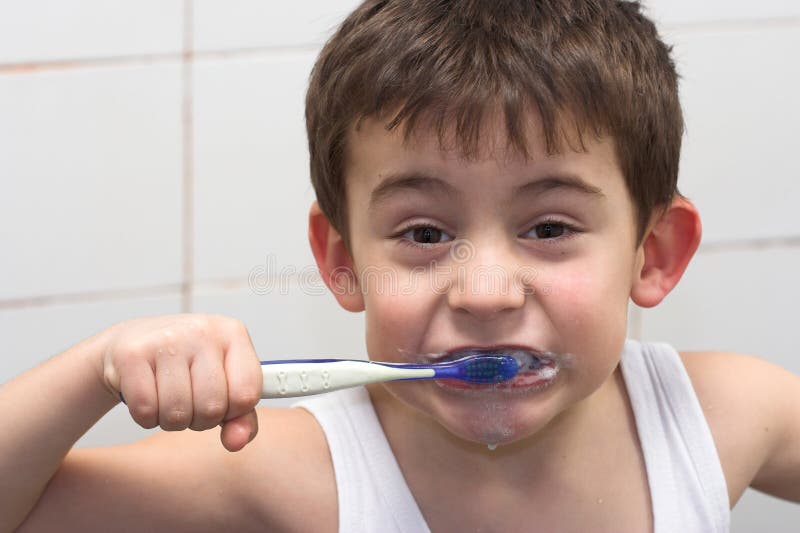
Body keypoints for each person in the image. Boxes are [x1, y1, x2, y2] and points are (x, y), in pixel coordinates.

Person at [3, 1, 799, 531]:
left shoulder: (721, 416)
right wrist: (96, 369)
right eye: (423, 234)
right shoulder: (289, 472)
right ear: (343, 263)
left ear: (652, 254)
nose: (485, 293)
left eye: (549, 226)